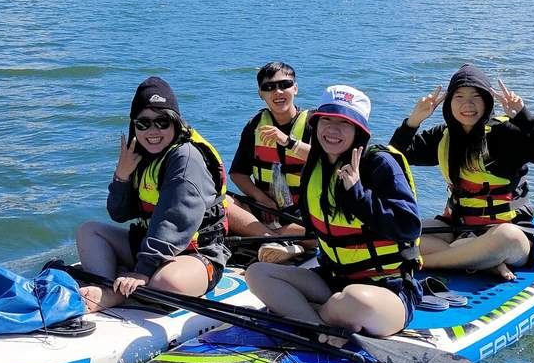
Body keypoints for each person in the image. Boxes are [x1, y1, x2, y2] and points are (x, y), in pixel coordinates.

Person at [245, 86, 422, 339]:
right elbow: (317, 227)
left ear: (359, 131)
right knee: (257, 273)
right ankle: (319, 328)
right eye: (326, 120)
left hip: (386, 290)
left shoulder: (379, 164)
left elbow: (408, 227)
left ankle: (304, 316)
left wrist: (358, 195)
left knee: (353, 299)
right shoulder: (315, 166)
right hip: (333, 280)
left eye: (344, 123)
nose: (332, 130)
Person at [390, 63, 534, 281]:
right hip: (457, 229)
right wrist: (414, 121)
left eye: (476, 96)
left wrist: (525, 117)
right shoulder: (443, 137)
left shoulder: (506, 135)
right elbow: (393, 158)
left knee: (507, 237)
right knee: (399, 236)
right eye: (459, 97)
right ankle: (482, 263)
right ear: (449, 102)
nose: (467, 104)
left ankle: (425, 262)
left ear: (487, 100)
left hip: (505, 235)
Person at [75, 77, 229, 312]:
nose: (152, 131)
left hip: (197, 253)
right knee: (89, 231)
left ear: (175, 122)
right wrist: (121, 177)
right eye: (143, 123)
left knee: (164, 283)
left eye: (162, 121)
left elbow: (174, 220)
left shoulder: (185, 158)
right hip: (150, 245)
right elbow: (119, 214)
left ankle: (117, 295)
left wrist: (142, 271)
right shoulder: (140, 155)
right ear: (134, 125)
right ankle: (106, 287)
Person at [225, 61, 311, 238]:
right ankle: (274, 239)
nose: (278, 92)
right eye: (269, 87)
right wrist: (261, 199)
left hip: (305, 215)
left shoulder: (314, 123)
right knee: (221, 202)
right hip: (265, 210)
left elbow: (328, 159)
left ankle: (269, 239)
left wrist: (288, 142)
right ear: (261, 94)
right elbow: (238, 174)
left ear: (295, 88)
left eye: (284, 85)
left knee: (323, 225)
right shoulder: (255, 125)